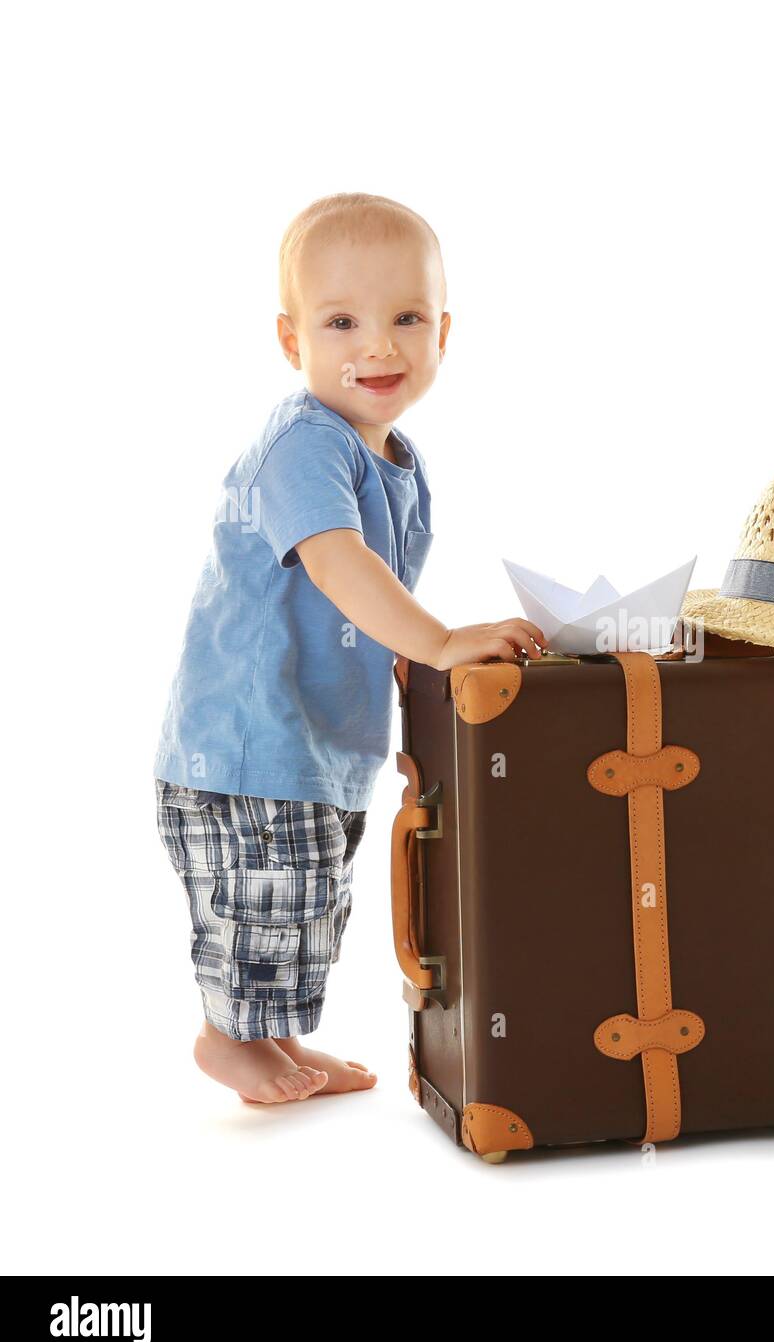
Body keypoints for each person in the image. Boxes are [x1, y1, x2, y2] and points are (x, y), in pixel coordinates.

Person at [153, 192, 546, 1105]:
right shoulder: (302, 444)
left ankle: (277, 1039)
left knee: (310, 903)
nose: (380, 347)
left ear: (444, 331)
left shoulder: (394, 455)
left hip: (318, 743)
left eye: (408, 317)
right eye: (343, 322)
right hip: (248, 743)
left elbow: (377, 602)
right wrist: (442, 639)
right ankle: (229, 1037)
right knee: (261, 900)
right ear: (293, 343)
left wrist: (426, 660)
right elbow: (338, 566)